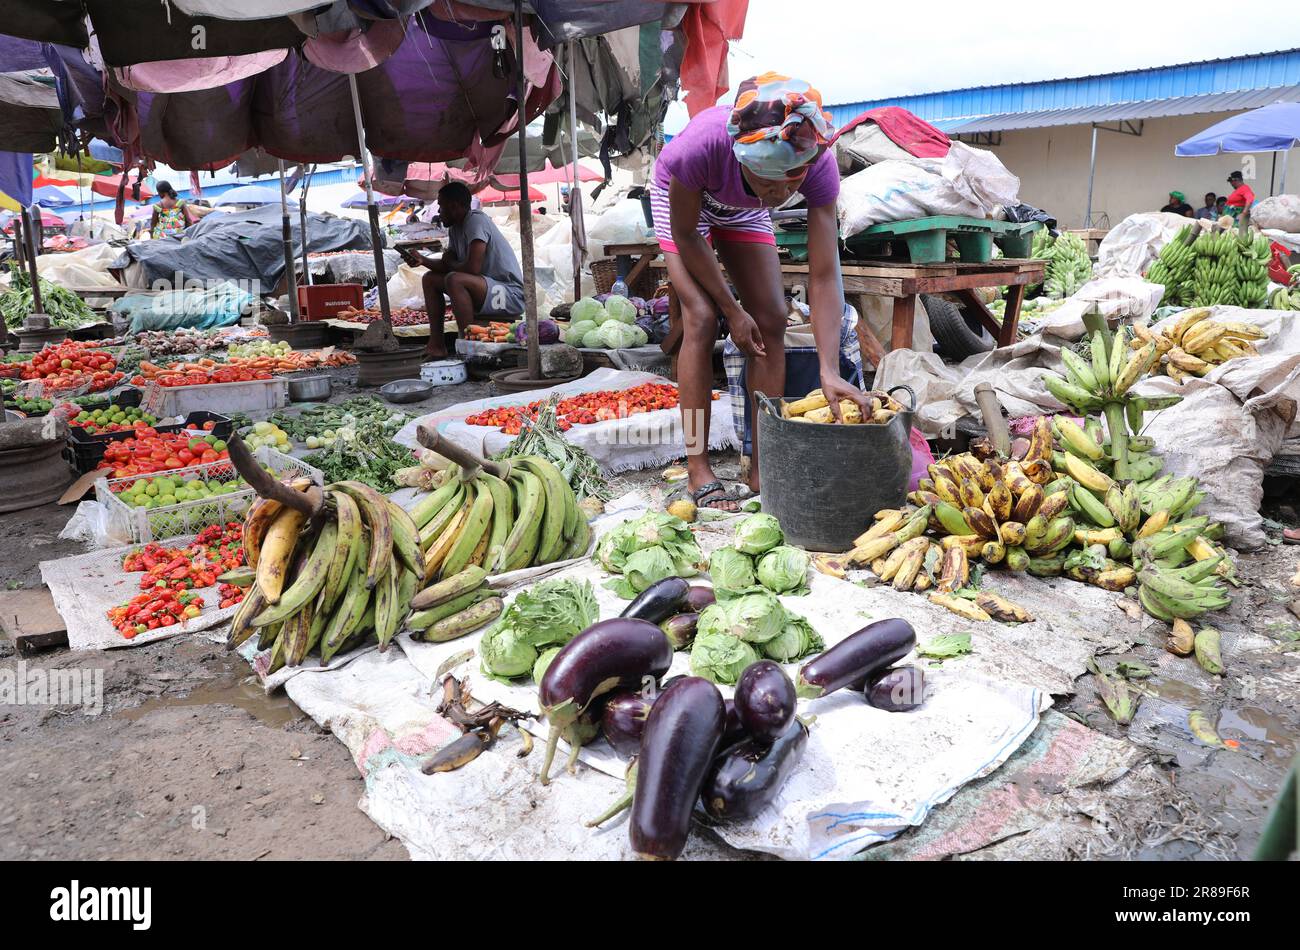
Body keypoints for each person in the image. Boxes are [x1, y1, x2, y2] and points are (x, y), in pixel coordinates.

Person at [652, 72, 870, 511]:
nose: (781, 194)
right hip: (684, 207)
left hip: (742, 210)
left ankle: (760, 466)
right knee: (700, 318)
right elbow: (687, 235)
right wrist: (732, 310)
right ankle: (698, 469)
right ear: (742, 156)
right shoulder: (700, 147)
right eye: (770, 182)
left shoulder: (817, 161)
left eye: (791, 182)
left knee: (771, 321)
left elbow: (824, 274)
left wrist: (829, 368)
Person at [404, 182, 525, 359]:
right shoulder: (455, 228)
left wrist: (450, 262)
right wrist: (423, 260)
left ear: (454, 206)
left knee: (454, 279)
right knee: (430, 279)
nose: (439, 212)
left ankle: (468, 346)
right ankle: (437, 345)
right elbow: (448, 264)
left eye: (441, 206)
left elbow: (472, 268)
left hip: (511, 294)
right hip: (486, 288)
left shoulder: (476, 220)